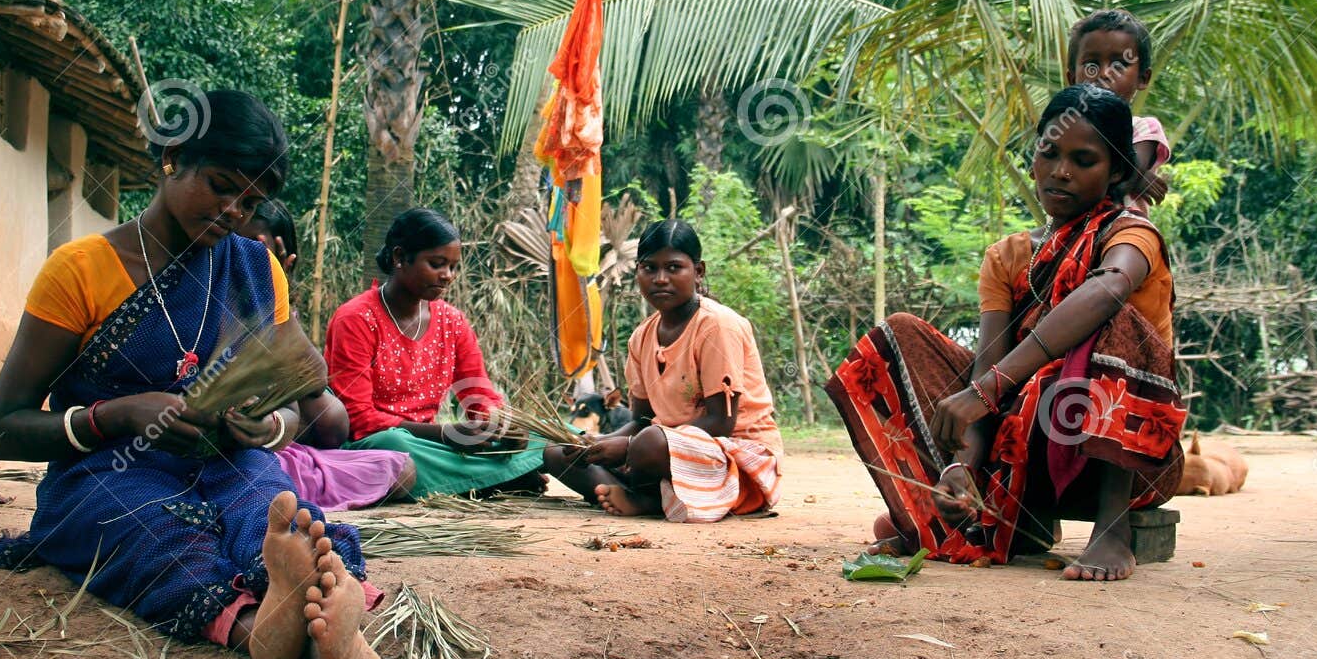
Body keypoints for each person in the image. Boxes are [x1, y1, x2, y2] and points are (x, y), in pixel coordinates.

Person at [0, 89, 385, 659]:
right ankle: (265, 630)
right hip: (106, 470)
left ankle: (313, 610)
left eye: (251, 202)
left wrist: (266, 427)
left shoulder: (255, 269)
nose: (234, 211)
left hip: (226, 459)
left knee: (267, 509)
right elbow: (1, 430)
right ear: (172, 158)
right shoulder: (80, 269)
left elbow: (303, 400)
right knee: (155, 532)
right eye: (220, 185)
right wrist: (116, 415)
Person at [827, 86, 1186, 581]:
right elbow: (987, 363)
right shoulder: (1009, 255)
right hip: (1023, 451)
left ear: (1118, 172)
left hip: (1126, 460)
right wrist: (963, 463)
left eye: (1083, 160)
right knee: (900, 335)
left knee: (1117, 321)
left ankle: (1112, 529)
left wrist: (988, 389)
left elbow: (1109, 289)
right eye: (1050, 152)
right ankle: (976, 506)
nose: (1060, 171)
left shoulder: (1130, 235)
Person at [545, 219, 783, 521]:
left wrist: (630, 447)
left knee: (650, 443)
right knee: (558, 452)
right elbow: (640, 421)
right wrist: (597, 444)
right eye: (649, 268)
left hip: (736, 458)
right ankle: (646, 495)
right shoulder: (641, 337)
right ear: (637, 274)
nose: (660, 279)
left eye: (673, 268)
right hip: (665, 452)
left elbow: (721, 422)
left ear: (698, 272)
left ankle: (650, 500)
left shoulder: (717, 326)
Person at [323, 207, 546, 497]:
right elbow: (358, 418)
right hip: (378, 444)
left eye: (453, 267)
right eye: (437, 264)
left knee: (540, 433)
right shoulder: (355, 318)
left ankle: (484, 478)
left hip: (434, 445)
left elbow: (479, 394)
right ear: (400, 257)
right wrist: (445, 434)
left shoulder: (452, 321)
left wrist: (497, 424)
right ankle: (498, 479)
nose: (448, 276)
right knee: (396, 448)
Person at [242, 200, 415, 509]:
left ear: (286, 262)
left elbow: (324, 419)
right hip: (242, 455)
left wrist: (274, 300)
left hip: (282, 445)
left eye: (257, 254)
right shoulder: (199, 302)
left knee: (401, 467)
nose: (240, 261)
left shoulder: (279, 312)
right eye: (233, 247)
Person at [1066, 9, 1169, 210]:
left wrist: (1134, 177)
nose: (1104, 73)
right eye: (1091, 65)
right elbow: (1043, 186)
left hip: (1121, 234)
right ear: (1072, 79)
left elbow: (1121, 184)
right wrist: (1138, 178)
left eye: (1119, 64)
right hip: (1069, 238)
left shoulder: (1143, 129)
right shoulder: (1062, 130)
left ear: (1143, 78)